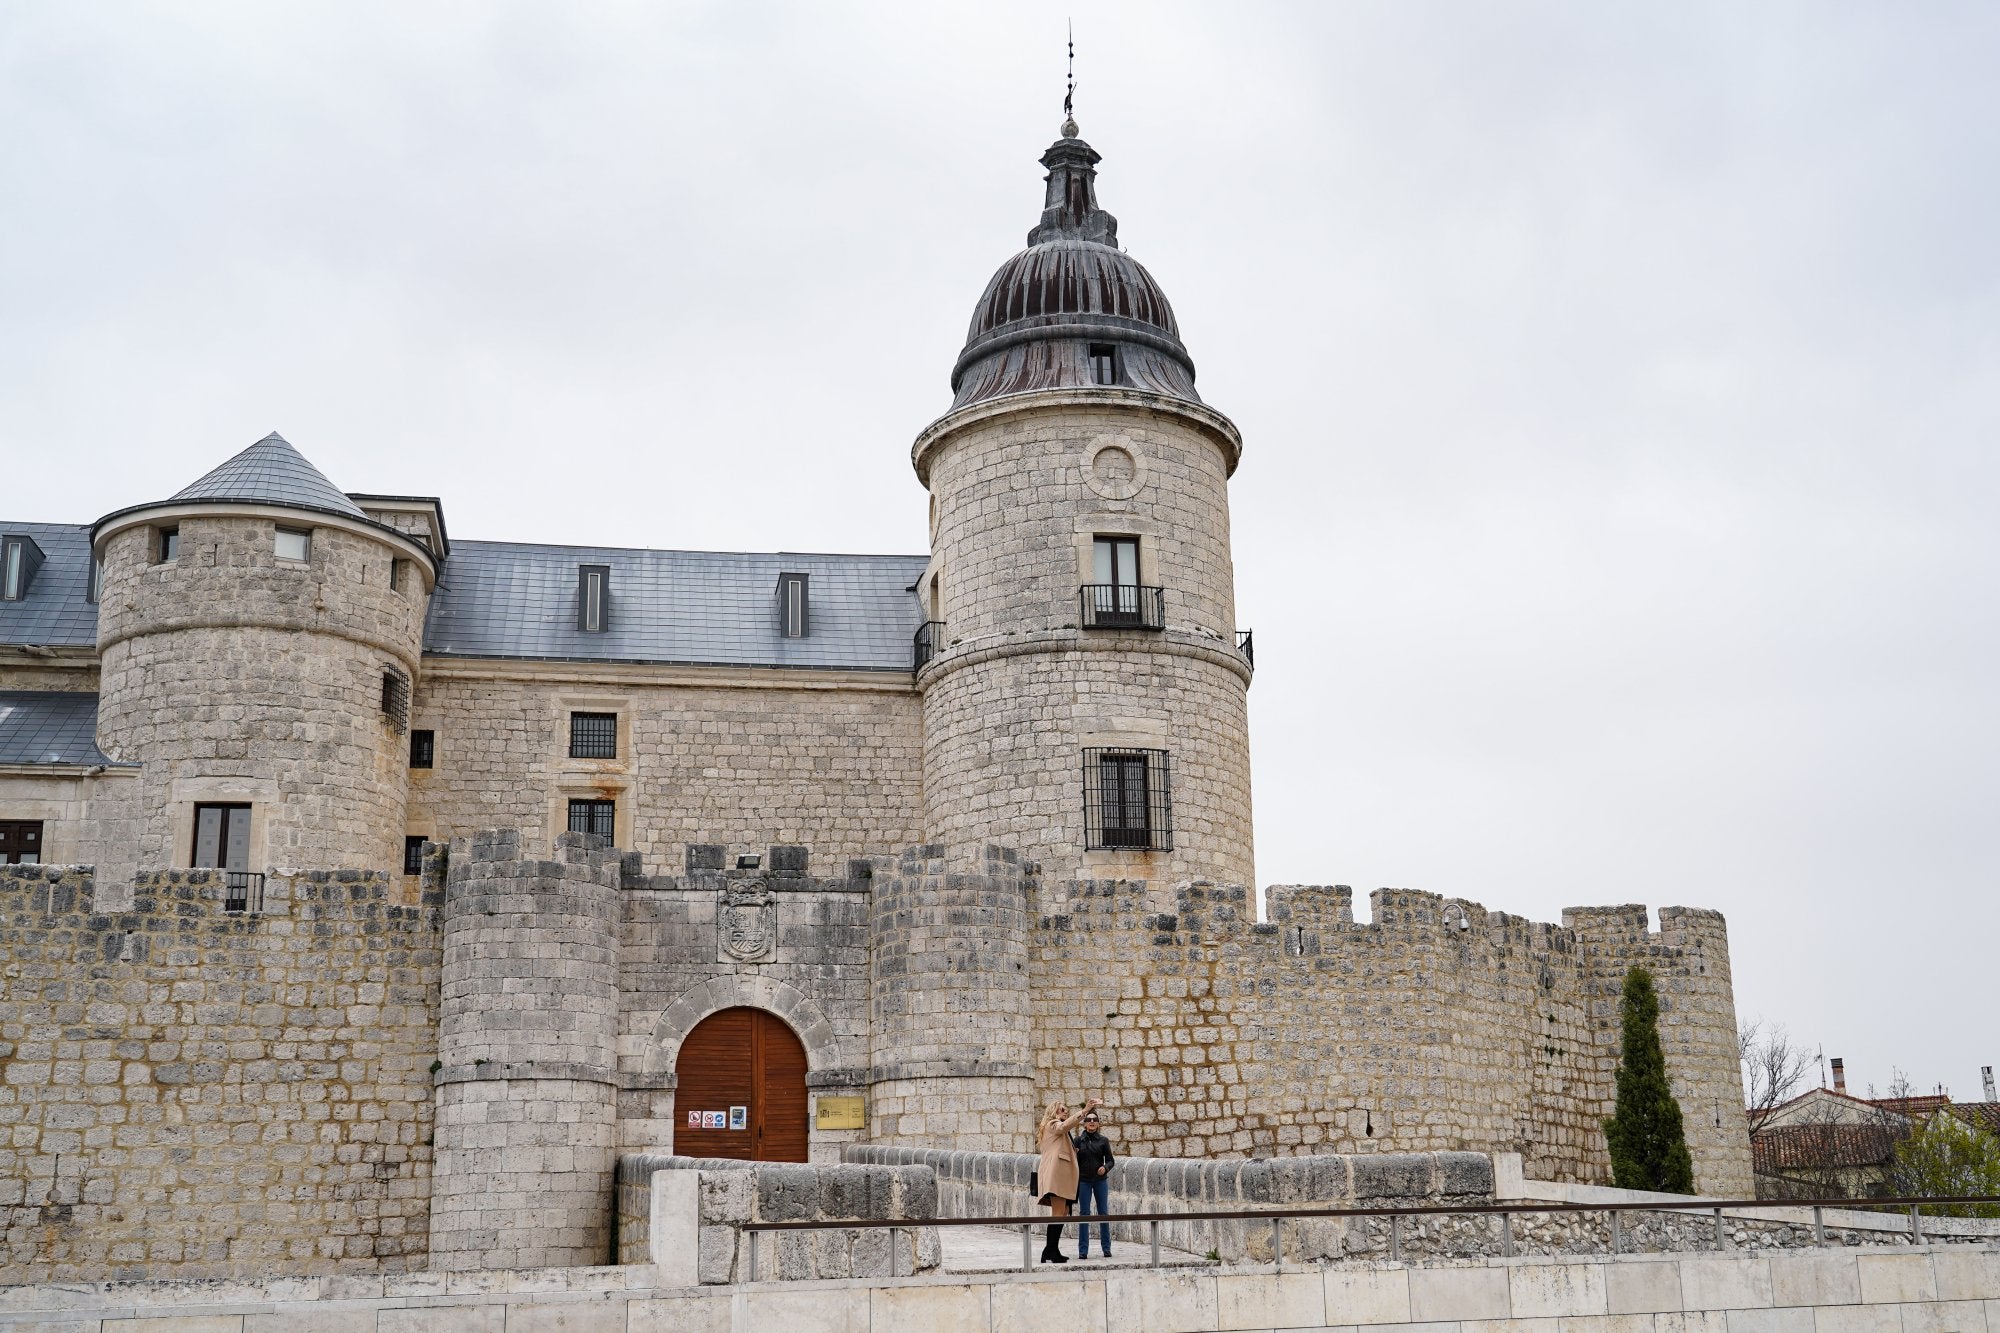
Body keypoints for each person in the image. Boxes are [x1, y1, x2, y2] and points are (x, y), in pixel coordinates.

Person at [1035, 1096, 1100, 1263]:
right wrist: (1085, 1111)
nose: (1065, 1111)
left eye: (1066, 1109)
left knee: (1061, 1213)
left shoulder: (1056, 1130)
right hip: (1056, 1176)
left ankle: (1051, 1250)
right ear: (1053, 1112)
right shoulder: (1053, 1124)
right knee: (1058, 1213)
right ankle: (1050, 1251)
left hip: (1060, 1176)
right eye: (1062, 1109)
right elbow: (1063, 1126)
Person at [1072, 1107, 1115, 1258]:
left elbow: (1111, 1161)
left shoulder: (1103, 1141)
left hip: (1100, 1181)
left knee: (1103, 1213)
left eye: (1094, 1120)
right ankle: (1083, 1251)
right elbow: (1073, 1161)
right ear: (1084, 1124)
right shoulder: (1078, 1140)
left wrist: (1105, 1167)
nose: (1091, 1122)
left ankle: (1106, 1248)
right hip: (1083, 1181)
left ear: (1098, 1124)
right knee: (1084, 1214)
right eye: (1088, 1120)